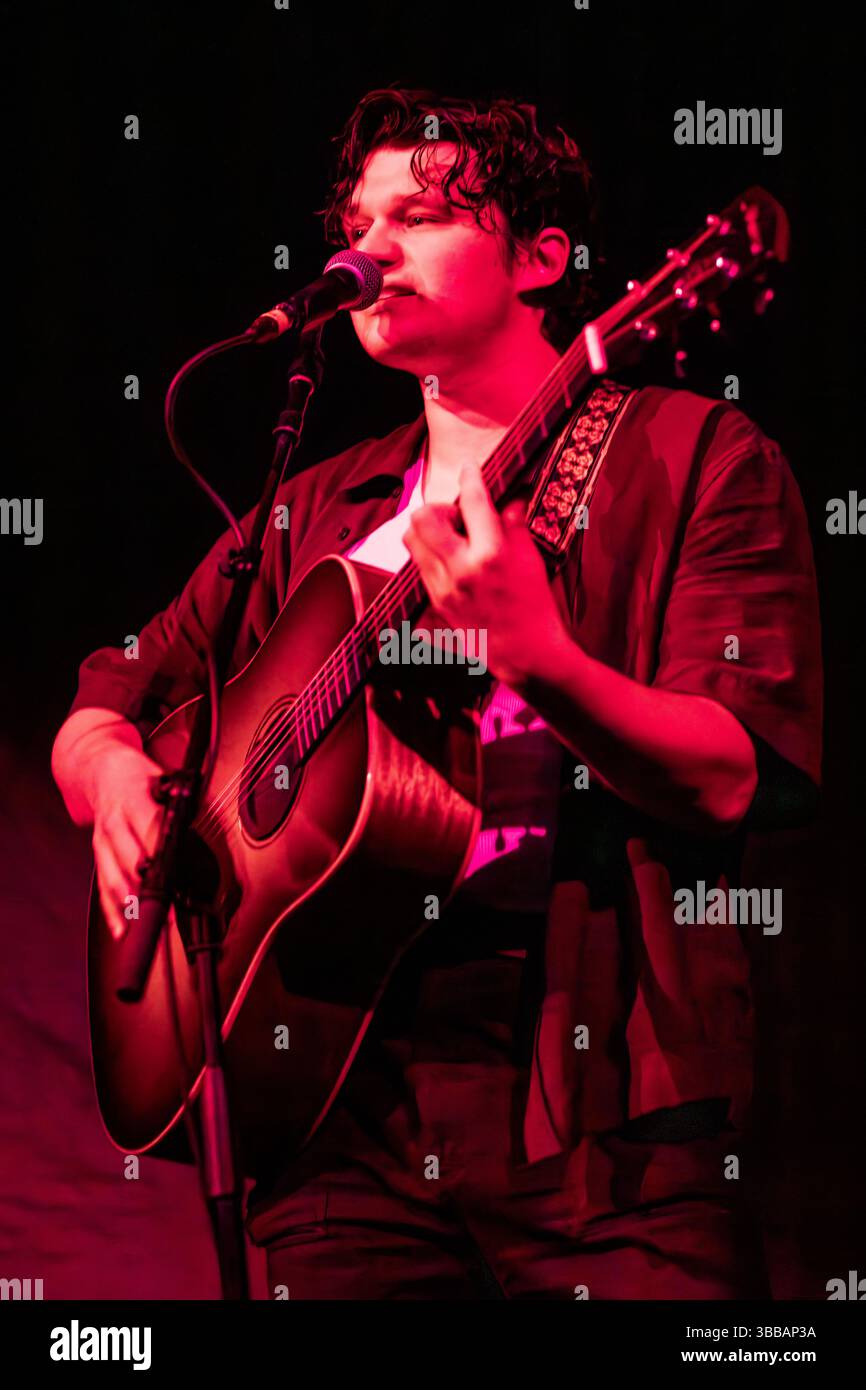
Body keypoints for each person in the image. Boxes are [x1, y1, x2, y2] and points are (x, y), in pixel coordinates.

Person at [51, 87, 822, 1299]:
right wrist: (105, 771)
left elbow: (737, 775)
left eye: (416, 215)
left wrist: (545, 663)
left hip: (598, 1100)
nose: (367, 249)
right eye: (357, 221)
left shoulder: (691, 456)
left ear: (540, 259)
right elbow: (111, 693)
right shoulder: (311, 507)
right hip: (323, 1095)